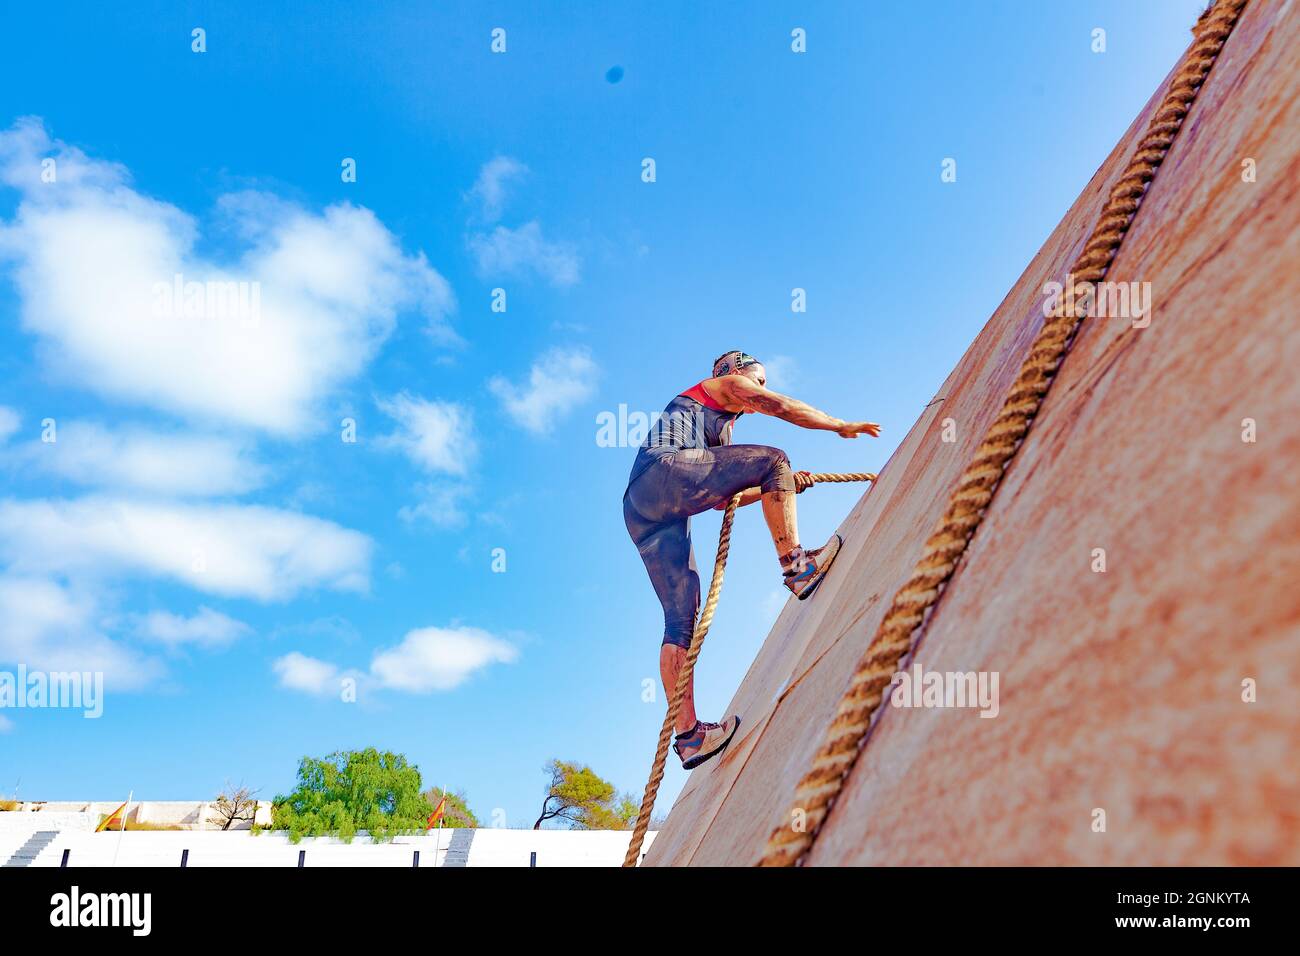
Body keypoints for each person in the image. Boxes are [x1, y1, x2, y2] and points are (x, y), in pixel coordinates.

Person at [623, 350, 880, 769]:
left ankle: (689, 737)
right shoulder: (720, 388)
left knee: (679, 621)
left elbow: (723, 500)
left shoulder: (714, 437)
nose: (757, 390)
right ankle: (797, 567)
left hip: (643, 507)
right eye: (756, 380)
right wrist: (838, 426)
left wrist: (783, 486)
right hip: (666, 472)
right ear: (733, 372)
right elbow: (780, 407)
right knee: (773, 457)